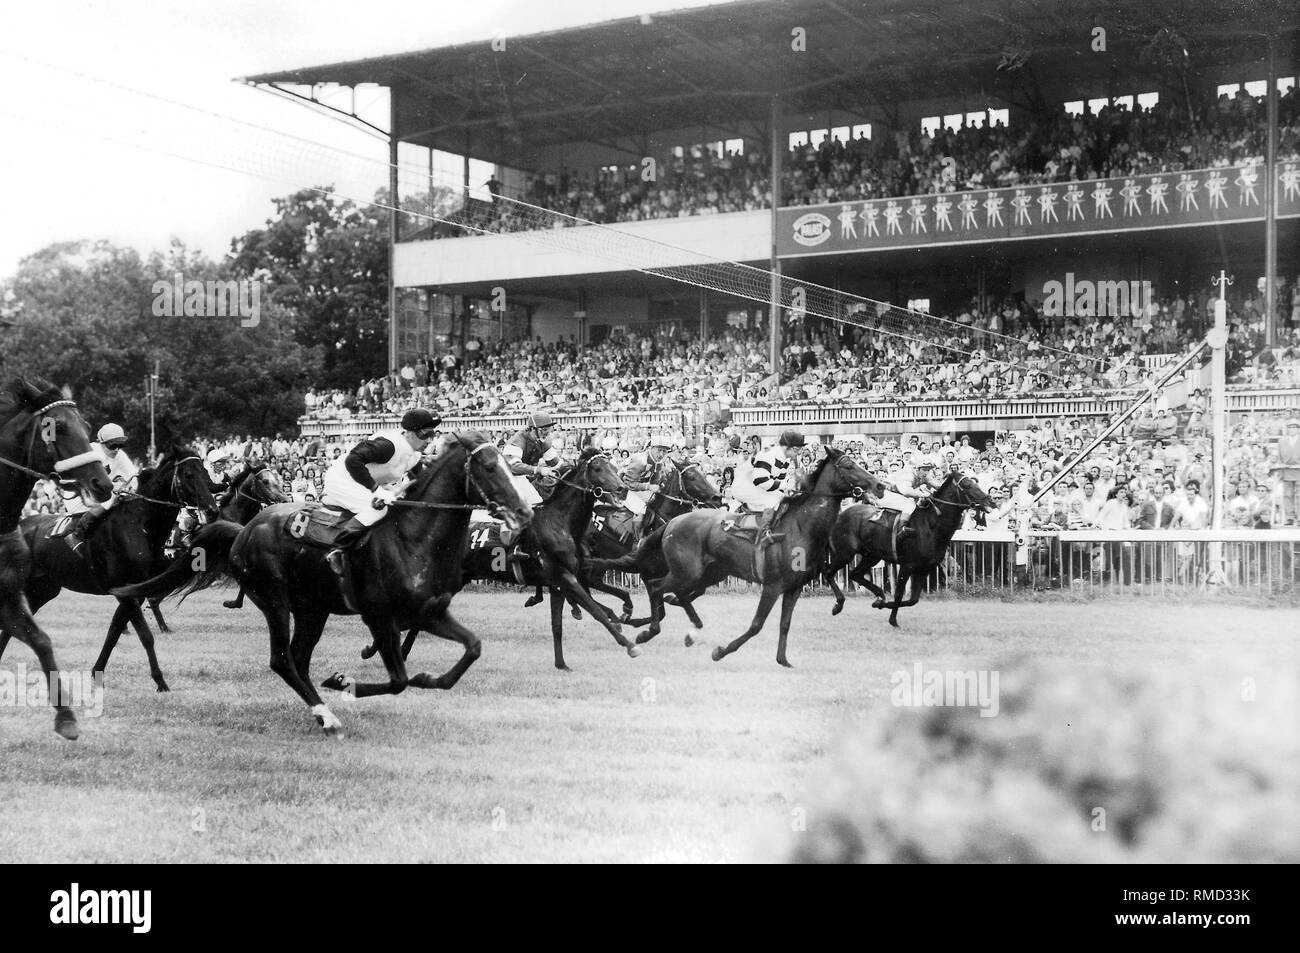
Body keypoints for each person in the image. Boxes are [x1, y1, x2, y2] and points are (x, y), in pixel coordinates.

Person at [320, 408, 441, 572]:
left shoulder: (414, 456)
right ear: (410, 433)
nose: (429, 440)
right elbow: (353, 460)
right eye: (425, 434)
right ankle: (338, 549)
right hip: (343, 480)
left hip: (363, 483)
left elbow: (419, 481)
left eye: (432, 435)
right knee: (380, 510)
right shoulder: (388, 445)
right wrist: (376, 490)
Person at [63, 423, 139, 553]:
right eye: (113, 445)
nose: (117, 449)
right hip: (80, 496)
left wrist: (132, 487)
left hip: (101, 495)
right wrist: (119, 486)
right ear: (101, 443)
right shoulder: (90, 451)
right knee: (114, 495)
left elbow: (134, 477)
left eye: (120, 445)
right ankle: (78, 534)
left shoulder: (119, 455)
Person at [731, 429, 804, 546]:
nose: (799, 453)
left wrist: (790, 490)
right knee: (773, 499)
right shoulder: (768, 455)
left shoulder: (784, 459)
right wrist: (786, 486)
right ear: (786, 447)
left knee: (782, 497)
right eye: (796, 449)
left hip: (755, 485)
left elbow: (779, 483)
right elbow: (760, 480)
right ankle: (764, 533)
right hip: (743, 486)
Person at [499, 411, 562, 545]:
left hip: (521, 478)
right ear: (533, 429)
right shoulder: (517, 440)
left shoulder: (543, 441)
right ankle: (511, 542)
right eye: (544, 429)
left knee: (539, 501)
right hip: (506, 478)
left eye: (548, 429)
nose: (547, 433)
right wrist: (538, 469)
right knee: (529, 504)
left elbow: (557, 463)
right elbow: (513, 468)